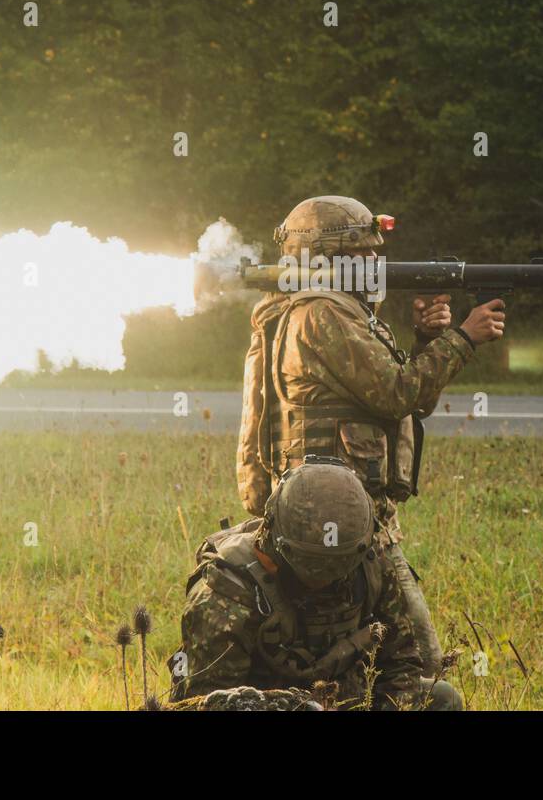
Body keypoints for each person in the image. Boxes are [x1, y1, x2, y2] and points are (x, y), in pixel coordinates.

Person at [236, 195, 506, 673]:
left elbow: (411, 402)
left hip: (339, 516)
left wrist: (427, 340)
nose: (375, 262)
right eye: (362, 253)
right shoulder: (323, 314)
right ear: (328, 258)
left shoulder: (333, 310)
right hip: (340, 521)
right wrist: (464, 338)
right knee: (420, 669)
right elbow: (398, 393)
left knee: (365, 669)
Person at [169, 455, 462, 710]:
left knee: (441, 698)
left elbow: (401, 668)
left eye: (336, 568)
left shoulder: (369, 566)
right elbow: (210, 703)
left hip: (345, 697)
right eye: (311, 568)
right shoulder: (228, 593)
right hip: (263, 705)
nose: (323, 580)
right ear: (274, 539)